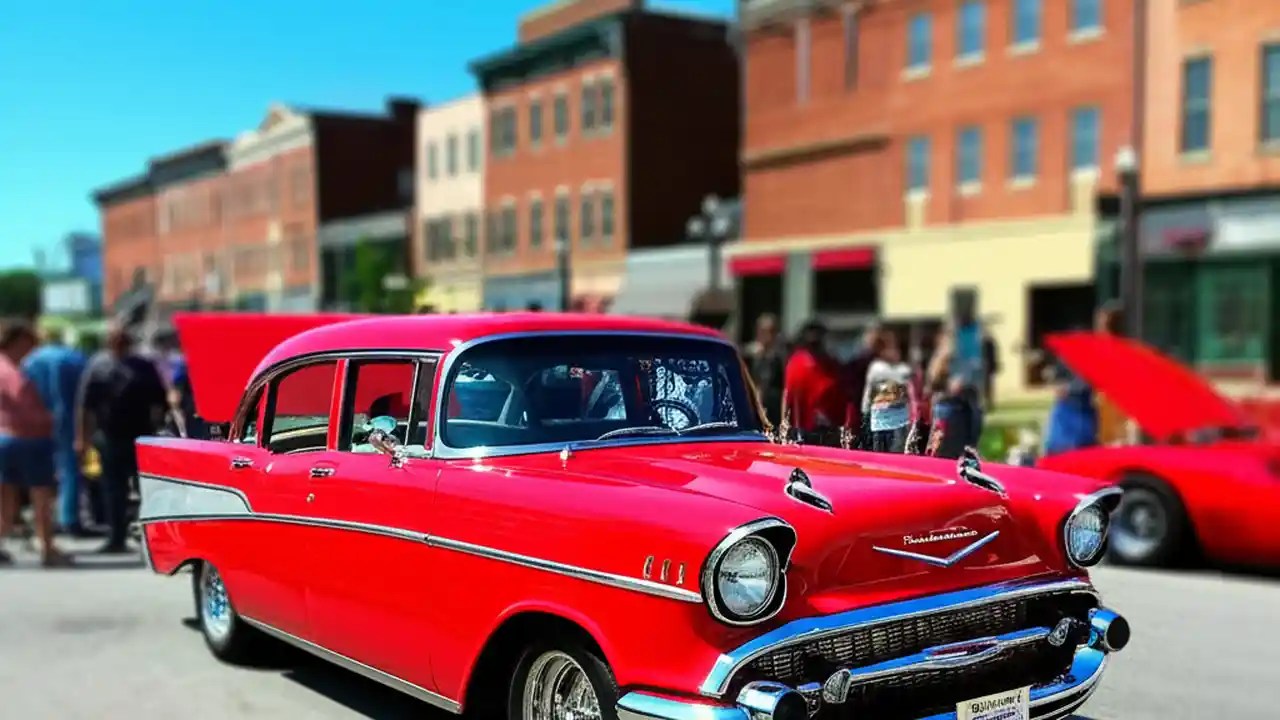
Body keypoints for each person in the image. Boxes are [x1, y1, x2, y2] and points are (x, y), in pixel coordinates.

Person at [76, 324, 167, 554]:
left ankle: (152, 538)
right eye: (115, 340)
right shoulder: (98, 367)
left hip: (141, 436)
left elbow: (160, 400)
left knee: (146, 489)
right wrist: (82, 438)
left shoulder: (144, 367)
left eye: (123, 340)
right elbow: (85, 406)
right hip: (109, 437)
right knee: (113, 490)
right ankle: (116, 537)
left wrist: (158, 429)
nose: (119, 344)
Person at [0, 320, 72, 566]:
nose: (32, 350)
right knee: (42, 497)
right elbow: (20, 395)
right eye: (30, 343)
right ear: (17, 342)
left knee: (6, 502)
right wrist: (48, 420)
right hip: (28, 439)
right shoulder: (11, 369)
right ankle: (47, 548)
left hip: (5, 438)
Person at [21, 325, 94, 537]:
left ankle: (40, 520)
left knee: (39, 473)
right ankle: (69, 518)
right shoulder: (74, 358)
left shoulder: (31, 360)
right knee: (71, 468)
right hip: (70, 419)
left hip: (34, 421)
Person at [783, 320, 853, 445]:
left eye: (817, 335)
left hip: (828, 426)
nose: (814, 339)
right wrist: (784, 421)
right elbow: (788, 394)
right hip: (803, 426)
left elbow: (842, 395)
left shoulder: (832, 364)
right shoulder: (796, 362)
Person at [862, 332, 914, 453]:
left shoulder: (904, 369)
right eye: (888, 349)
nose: (892, 352)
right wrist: (865, 410)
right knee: (879, 458)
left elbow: (909, 389)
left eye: (894, 349)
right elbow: (869, 389)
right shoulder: (876, 367)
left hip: (898, 421)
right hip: (878, 421)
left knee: (896, 456)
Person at [743, 314, 787, 427]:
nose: (764, 336)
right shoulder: (752, 357)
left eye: (769, 332)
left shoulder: (779, 358)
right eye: (761, 332)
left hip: (773, 412)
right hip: (755, 412)